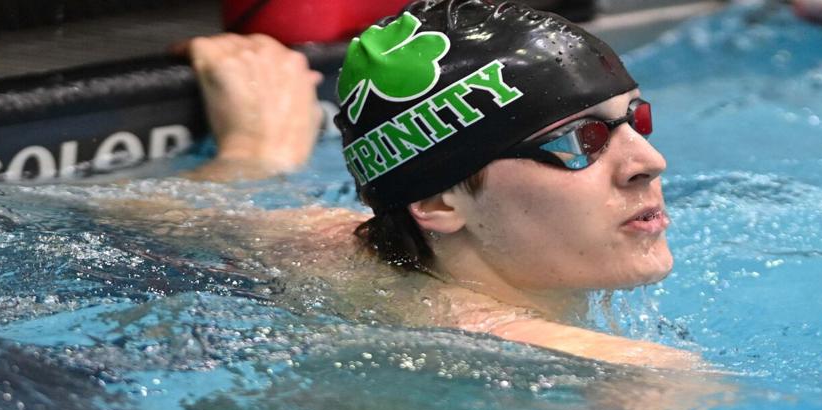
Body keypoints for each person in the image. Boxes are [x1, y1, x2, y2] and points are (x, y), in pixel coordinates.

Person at [151, 0, 694, 370]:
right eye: (579, 141)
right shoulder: (617, 370)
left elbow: (158, 210)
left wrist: (251, 155)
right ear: (436, 201)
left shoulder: (339, 252)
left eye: (635, 119)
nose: (649, 161)